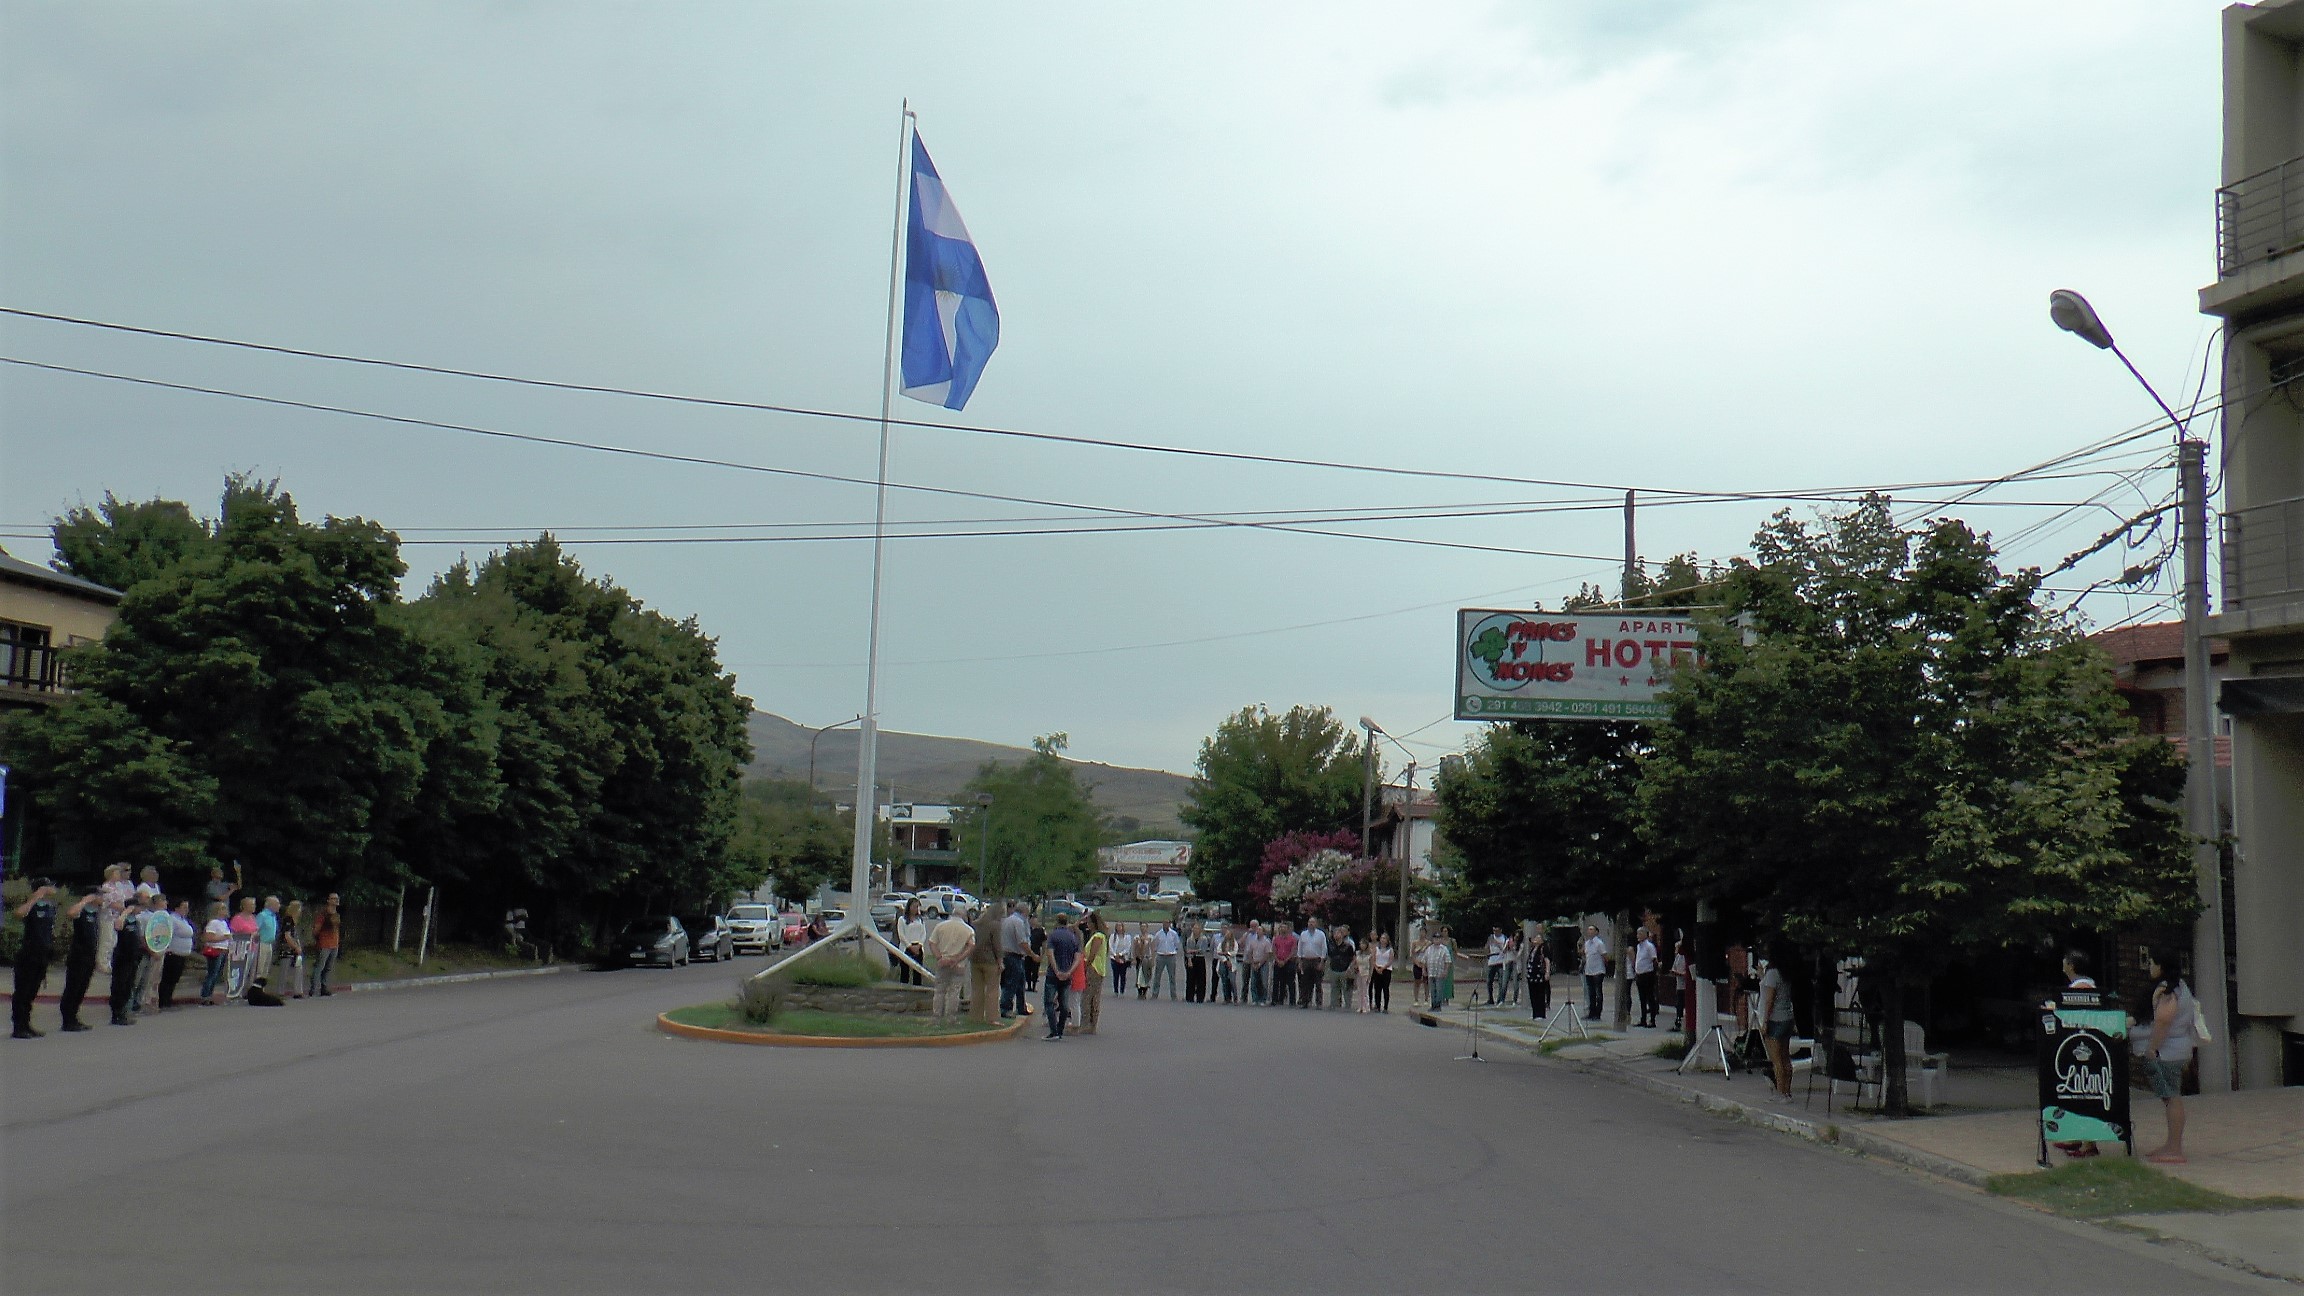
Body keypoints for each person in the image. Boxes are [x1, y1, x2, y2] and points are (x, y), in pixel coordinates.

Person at [2141, 948, 2198, 1165]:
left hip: (2169, 1052)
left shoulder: (2167, 990)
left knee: (2172, 1098)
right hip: (2181, 1048)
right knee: (2170, 1098)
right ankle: (2170, 1145)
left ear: (2161, 967)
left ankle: (2174, 1148)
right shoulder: (2182, 987)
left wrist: (2152, 1048)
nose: (2150, 967)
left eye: (2152, 963)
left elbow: (2163, 1020)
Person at [53, 887, 103, 1032]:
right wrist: (85, 900)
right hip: (78, 956)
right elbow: (70, 913)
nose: (103, 898)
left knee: (82, 987)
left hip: (89, 955)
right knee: (73, 987)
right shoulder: (81, 910)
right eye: (100, 895)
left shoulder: (95, 913)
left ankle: (74, 1016)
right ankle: (68, 1020)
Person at [1758, 945, 1797, 1102]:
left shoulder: (1773, 973)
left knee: (1777, 1060)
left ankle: (1781, 1093)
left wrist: (1765, 1022)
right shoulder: (1786, 973)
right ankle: (1787, 1091)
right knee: (1786, 1057)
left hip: (1775, 1019)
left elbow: (1769, 1000)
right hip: (1788, 1016)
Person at [927, 899, 974, 1024]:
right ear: (963, 916)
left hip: (943, 961)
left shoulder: (940, 926)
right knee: (954, 991)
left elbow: (932, 943)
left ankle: (936, 1016)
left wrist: (939, 957)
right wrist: (958, 958)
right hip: (958, 964)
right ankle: (951, 1017)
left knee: (939, 990)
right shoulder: (968, 930)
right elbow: (970, 946)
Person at [107, 894, 149, 1026]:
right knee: (119, 985)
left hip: (133, 957)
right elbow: (118, 926)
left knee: (128, 986)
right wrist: (125, 912)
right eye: (138, 907)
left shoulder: (135, 921)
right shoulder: (122, 919)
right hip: (122, 957)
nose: (140, 909)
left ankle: (123, 1012)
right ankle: (116, 1014)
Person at [1041, 913, 1081, 1039]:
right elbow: (1078, 957)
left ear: (1057, 922)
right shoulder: (1073, 937)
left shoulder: (1053, 936)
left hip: (1053, 974)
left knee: (1049, 1002)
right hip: (1067, 974)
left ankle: (1053, 1030)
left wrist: (1056, 970)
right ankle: (1060, 1029)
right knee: (1064, 1004)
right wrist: (1069, 971)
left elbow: (1050, 954)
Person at [969, 903, 1004, 1026]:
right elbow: (997, 946)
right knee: (992, 990)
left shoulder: (976, 924)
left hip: (975, 959)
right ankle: (992, 1018)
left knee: (977, 990)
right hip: (990, 961)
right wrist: (1000, 961)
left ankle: (975, 1016)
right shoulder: (995, 925)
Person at [160, 898, 197, 1010]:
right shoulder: (172, 919)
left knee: (174, 979)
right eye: (184, 907)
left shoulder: (183, 920)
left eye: (187, 907)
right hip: (173, 953)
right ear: (177, 908)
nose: (186, 909)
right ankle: (163, 1001)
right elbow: (167, 934)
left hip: (182, 954)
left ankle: (169, 1000)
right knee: (168, 978)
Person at [999, 900, 1032, 1019]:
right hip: (1013, 956)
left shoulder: (1007, 920)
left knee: (1020, 983)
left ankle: (1021, 1007)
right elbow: (1022, 942)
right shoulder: (1017, 922)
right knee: (1011, 983)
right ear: (1024, 911)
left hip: (1010, 955)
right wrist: (1032, 955)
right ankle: (1005, 1008)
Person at [1078, 912, 1109, 1035]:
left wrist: (1084, 968)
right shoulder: (1098, 935)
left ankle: (1087, 1023)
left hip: (1093, 969)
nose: (1087, 925)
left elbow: (1092, 955)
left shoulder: (1098, 937)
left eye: (1089, 923)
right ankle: (1091, 1024)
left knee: (1088, 997)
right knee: (1093, 997)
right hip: (1098, 969)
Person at [198, 902, 233, 1005]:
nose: (225, 911)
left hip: (223, 950)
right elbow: (208, 938)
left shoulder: (224, 923)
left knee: (216, 974)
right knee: (212, 973)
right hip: (215, 950)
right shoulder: (213, 923)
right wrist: (224, 937)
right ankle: (205, 995)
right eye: (222, 909)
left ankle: (209, 994)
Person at [310, 893, 342, 996]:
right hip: (324, 944)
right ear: (328, 900)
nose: (336, 901)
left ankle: (324, 987)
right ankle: (314, 988)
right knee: (320, 966)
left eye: (337, 899)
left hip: (334, 944)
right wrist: (319, 940)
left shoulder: (336, 914)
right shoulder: (323, 915)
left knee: (328, 968)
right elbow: (316, 930)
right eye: (333, 899)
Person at [895, 899, 929, 988]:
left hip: (918, 947)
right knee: (905, 971)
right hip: (906, 948)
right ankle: (904, 988)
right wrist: (910, 946)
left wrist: (919, 945)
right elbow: (901, 935)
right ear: (909, 907)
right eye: (914, 906)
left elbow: (923, 933)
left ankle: (917, 989)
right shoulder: (902, 920)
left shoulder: (920, 920)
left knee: (917, 971)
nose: (916, 909)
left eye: (917, 907)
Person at [1324, 924, 1355, 1011]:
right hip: (1334, 969)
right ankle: (1333, 1005)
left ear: (1342, 935)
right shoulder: (1331, 945)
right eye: (1335, 934)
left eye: (1338, 933)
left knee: (1346, 989)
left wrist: (1350, 968)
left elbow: (1353, 958)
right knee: (1334, 988)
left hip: (1344, 970)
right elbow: (1329, 957)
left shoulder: (1348, 946)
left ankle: (1348, 1005)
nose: (1336, 935)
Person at [278, 899, 305, 998]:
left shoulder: (295, 921)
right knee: (284, 970)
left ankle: (298, 991)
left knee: (298, 968)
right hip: (287, 948)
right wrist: (295, 947)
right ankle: (281, 991)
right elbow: (287, 936)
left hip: (295, 948)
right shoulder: (288, 920)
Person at [1421, 928, 1453, 1012]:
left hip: (1440, 973)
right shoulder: (1429, 949)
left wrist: (1446, 971)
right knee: (1432, 989)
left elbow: (1448, 961)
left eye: (1438, 938)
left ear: (1441, 939)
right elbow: (1424, 960)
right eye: (1435, 938)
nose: (1436, 940)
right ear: (1432, 939)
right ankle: (1433, 1005)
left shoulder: (1444, 949)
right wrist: (1424, 970)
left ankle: (1438, 1005)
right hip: (1431, 973)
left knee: (1439, 989)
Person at [1633, 928, 1660, 1028]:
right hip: (1640, 974)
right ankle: (1643, 1019)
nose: (1638, 935)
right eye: (1637, 933)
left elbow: (1654, 960)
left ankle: (1652, 1020)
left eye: (1640, 933)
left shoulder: (1649, 946)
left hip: (1648, 974)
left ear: (1645, 934)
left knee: (1650, 997)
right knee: (1642, 998)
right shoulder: (1639, 946)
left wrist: (1654, 972)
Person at [1150, 920, 1183, 1000]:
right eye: (1165, 923)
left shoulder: (1173, 934)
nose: (1166, 924)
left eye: (1168, 923)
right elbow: (1155, 944)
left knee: (1172, 976)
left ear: (1170, 924)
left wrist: (1173, 951)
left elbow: (1177, 944)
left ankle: (1173, 995)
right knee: (1157, 976)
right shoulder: (1158, 934)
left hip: (1171, 956)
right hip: (1161, 956)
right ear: (1163, 924)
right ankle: (1155, 994)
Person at [255, 895, 282, 989]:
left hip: (269, 944)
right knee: (259, 967)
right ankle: (256, 988)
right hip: (261, 943)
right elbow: (256, 929)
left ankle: (262, 988)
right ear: (270, 905)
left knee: (266, 969)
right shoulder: (262, 915)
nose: (279, 906)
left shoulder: (273, 916)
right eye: (277, 904)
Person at [1582, 924, 1608, 1021]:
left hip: (1598, 971)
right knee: (1591, 993)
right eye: (1588, 929)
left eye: (1592, 929)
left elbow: (1605, 956)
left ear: (1596, 932)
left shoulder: (1599, 943)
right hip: (1589, 971)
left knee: (1598, 993)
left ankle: (1598, 1013)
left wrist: (1604, 967)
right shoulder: (1587, 943)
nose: (1590, 931)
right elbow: (1585, 955)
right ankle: (1591, 1012)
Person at [1527, 928, 1553, 1021]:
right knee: (1533, 994)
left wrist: (1547, 972)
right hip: (1531, 974)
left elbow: (1547, 960)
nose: (1535, 940)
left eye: (1537, 938)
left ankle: (1541, 1014)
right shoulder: (1533, 949)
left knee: (1540, 994)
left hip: (1540, 974)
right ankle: (1535, 1013)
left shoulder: (1543, 948)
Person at [1183, 922, 1209, 1003]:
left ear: (1200, 930)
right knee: (1190, 979)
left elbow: (1203, 950)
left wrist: (1193, 951)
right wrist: (1189, 959)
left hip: (1200, 959)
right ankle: (1189, 997)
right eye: (1194, 928)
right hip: (1191, 959)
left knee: (1201, 979)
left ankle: (1200, 997)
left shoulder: (1204, 939)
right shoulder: (1189, 939)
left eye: (1197, 928)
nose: (1195, 930)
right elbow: (1187, 950)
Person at [1369, 933, 1394, 1013]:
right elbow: (1373, 958)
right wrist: (1376, 967)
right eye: (1382, 938)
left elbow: (1390, 960)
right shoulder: (1376, 948)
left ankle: (1385, 1007)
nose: (1383, 940)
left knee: (1385, 989)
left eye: (1384, 938)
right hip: (1377, 969)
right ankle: (1377, 1005)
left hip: (1386, 970)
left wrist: (1383, 968)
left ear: (1387, 940)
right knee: (1377, 989)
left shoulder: (1390, 949)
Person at [1484, 927, 1508, 1004]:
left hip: (1500, 962)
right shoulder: (1490, 937)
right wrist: (1487, 952)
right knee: (1489, 981)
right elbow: (1487, 947)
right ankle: (1490, 999)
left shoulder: (1504, 938)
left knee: (1501, 982)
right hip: (1491, 962)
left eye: (1497, 930)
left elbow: (1504, 950)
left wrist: (1497, 943)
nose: (1495, 932)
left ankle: (1499, 999)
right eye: (1494, 930)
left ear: (1501, 930)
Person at [1109, 918, 1133, 995]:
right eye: (1117, 926)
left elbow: (1128, 947)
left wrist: (1121, 954)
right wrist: (1115, 955)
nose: (1119, 928)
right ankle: (1116, 990)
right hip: (1114, 958)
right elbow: (1110, 946)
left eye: (1120, 926)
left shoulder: (1127, 937)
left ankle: (1122, 990)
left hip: (1123, 958)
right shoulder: (1113, 936)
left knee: (1123, 975)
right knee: (1115, 975)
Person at [1131, 924, 1155, 999]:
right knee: (1139, 975)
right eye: (1142, 927)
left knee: (1146, 975)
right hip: (1139, 958)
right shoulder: (1137, 937)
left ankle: (1145, 992)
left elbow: (1153, 949)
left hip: (1147, 958)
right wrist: (1134, 958)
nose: (1143, 928)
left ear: (1147, 928)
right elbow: (1134, 948)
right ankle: (1139, 992)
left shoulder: (1150, 937)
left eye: (1144, 927)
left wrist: (1153, 959)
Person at [1352, 935, 1374, 1013]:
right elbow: (1354, 962)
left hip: (1366, 973)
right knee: (1359, 990)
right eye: (1361, 944)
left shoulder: (1370, 955)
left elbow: (1371, 966)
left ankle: (1365, 1006)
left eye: (1364, 944)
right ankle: (1360, 1006)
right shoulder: (1357, 953)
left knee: (1365, 991)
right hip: (1359, 973)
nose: (1362, 945)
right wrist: (1355, 967)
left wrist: (1370, 976)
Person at [1025, 917, 1047, 992]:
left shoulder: (1040, 930)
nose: (1034, 921)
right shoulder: (1027, 929)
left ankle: (1034, 985)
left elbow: (1044, 942)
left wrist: (1043, 954)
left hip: (1036, 952)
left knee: (1035, 970)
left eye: (1035, 919)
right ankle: (1028, 985)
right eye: (1032, 919)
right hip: (1027, 952)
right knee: (1027, 969)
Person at [1501, 931, 1523, 1006]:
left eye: (1517, 937)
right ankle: (1502, 1000)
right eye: (1515, 937)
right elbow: (1503, 951)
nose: (1516, 938)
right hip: (1507, 962)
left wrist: (1513, 948)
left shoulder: (1521, 945)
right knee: (1504, 983)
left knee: (1515, 984)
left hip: (1515, 964)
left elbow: (1518, 956)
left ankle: (1514, 1000)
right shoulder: (1508, 941)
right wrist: (1507, 946)